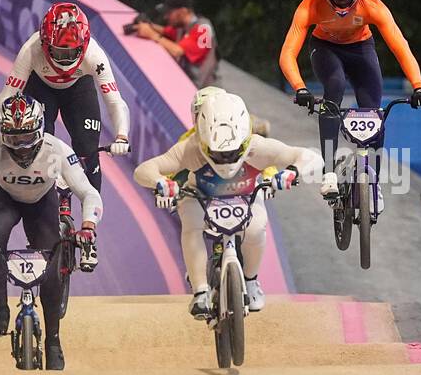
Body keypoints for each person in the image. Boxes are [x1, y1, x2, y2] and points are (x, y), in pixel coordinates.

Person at [134, 90, 322, 318]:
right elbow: (144, 170)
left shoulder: (257, 146)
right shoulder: (190, 147)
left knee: (256, 230)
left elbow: (309, 157)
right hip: (201, 196)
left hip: (247, 196)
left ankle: (251, 280)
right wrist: (161, 182)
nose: (225, 160)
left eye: (233, 153)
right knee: (191, 225)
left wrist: (292, 172)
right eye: (217, 154)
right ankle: (200, 290)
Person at [0, 94, 102, 371]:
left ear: (40, 129)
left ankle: (54, 340)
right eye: (13, 138)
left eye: (26, 137)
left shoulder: (57, 150)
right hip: (3, 200)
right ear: (2, 133)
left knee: (52, 269)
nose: (20, 146)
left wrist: (88, 225)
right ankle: (1, 308)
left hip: (42, 202)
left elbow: (88, 192)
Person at [278, 0, 421, 201]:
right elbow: (287, 54)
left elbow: (400, 47)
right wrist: (300, 88)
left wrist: (418, 85)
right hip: (325, 48)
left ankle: (375, 181)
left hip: (361, 48)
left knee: (374, 109)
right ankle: (329, 173)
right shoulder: (311, 4)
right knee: (335, 84)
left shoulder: (373, 5)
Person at [0, 3, 130, 200]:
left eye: (71, 53)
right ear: (45, 43)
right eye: (59, 52)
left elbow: (115, 101)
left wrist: (122, 135)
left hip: (79, 90)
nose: (65, 60)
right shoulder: (31, 49)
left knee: (87, 148)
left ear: (84, 46)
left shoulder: (95, 55)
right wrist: (4, 128)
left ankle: (89, 218)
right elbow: (7, 95)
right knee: (39, 145)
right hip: (41, 89)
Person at [130, 0, 219, 86]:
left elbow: (177, 51)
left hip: (204, 92)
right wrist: (148, 25)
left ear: (183, 12)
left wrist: (151, 34)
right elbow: (165, 31)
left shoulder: (204, 29)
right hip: (184, 84)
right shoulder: (183, 27)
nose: (165, 17)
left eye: (169, 13)